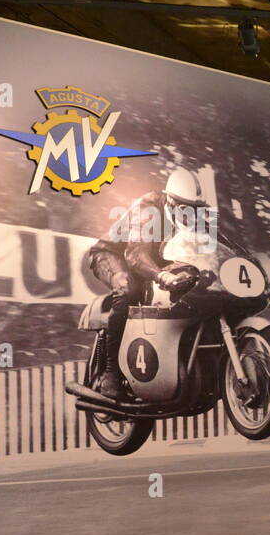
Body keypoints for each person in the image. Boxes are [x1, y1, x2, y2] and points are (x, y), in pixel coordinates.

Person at [86, 168, 206, 397]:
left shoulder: (197, 219)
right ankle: (110, 374)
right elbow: (135, 255)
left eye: (195, 209)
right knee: (127, 287)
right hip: (112, 254)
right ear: (170, 200)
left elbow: (209, 247)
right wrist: (162, 276)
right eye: (184, 208)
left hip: (151, 260)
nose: (190, 214)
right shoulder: (149, 209)